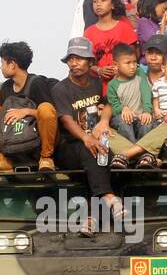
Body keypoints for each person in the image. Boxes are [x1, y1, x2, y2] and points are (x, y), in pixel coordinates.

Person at [50, 37, 125, 230]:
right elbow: (66, 120)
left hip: (98, 141)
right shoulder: (60, 89)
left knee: (103, 154)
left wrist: (104, 121)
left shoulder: (97, 83)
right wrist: (85, 137)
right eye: (71, 59)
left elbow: (108, 105)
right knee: (93, 151)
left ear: (90, 62)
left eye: (80, 58)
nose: (74, 63)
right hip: (70, 146)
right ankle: (109, 198)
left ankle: (91, 219)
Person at [0, 42, 60, 174]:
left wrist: (26, 111)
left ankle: (46, 158)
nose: (0, 67)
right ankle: (0, 158)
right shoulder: (6, 87)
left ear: (12, 64)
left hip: (37, 139)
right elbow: (0, 116)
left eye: (2, 63)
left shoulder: (36, 83)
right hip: (13, 138)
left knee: (45, 108)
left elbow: (51, 115)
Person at [84, 0, 138, 87]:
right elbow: (87, 63)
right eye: (95, 1)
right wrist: (99, 70)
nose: (98, 4)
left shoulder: (124, 28)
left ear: (113, 5)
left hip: (125, 85)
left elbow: (135, 56)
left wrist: (121, 68)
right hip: (100, 88)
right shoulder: (88, 33)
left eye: (103, 0)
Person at [105, 43, 153, 142]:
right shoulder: (112, 85)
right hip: (123, 119)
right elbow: (114, 106)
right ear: (115, 65)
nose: (132, 66)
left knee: (147, 123)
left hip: (141, 116)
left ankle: (143, 152)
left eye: (134, 62)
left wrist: (147, 111)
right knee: (124, 123)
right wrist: (123, 109)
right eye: (128, 63)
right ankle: (133, 152)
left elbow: (146, 92)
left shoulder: (139, 73)